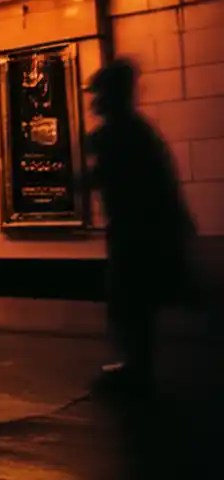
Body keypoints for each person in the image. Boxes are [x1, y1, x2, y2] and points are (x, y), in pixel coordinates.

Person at [86, 58, 194, 394]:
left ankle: (137, 368)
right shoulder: (137, 131)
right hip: (147, 228)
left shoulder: (119, 134)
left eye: (99, 93)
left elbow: (104, 177)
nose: (94, 101)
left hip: (135, 231)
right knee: (135, 301)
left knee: (130, 299)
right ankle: (137, 364)